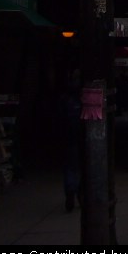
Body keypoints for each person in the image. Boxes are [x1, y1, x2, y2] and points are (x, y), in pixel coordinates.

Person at [56, 69, 82, 211]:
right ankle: (78, 192)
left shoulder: (65, 98)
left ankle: (71, 191)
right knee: (80, 166)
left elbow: (59, 119)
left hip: (68, 137)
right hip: (78, 136)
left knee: (70, 167)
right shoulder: (80, 98)